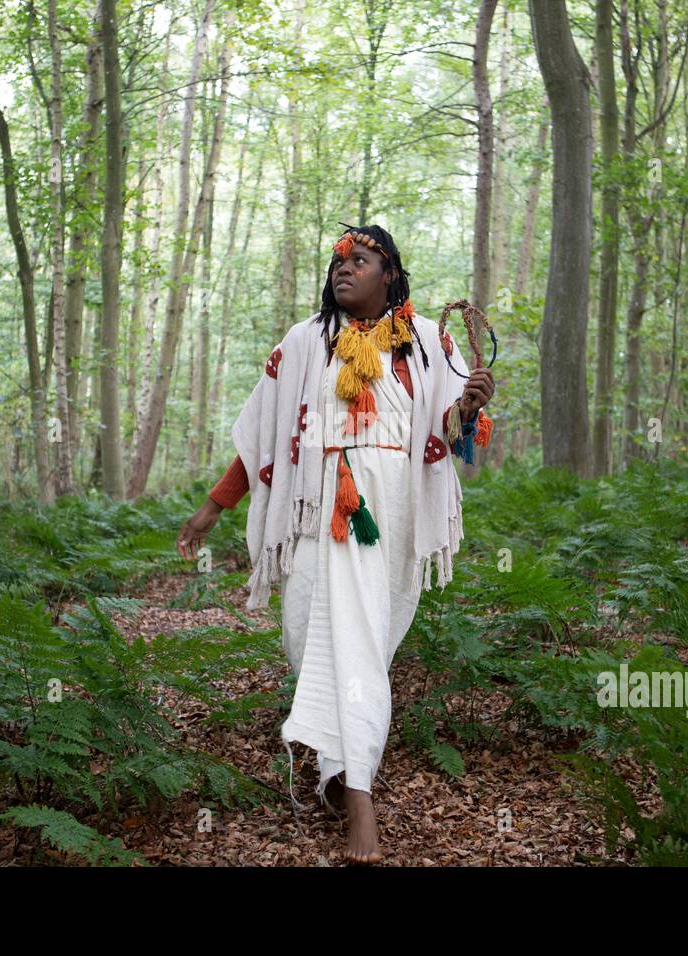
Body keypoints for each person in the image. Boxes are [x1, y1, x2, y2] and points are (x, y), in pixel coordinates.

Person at [177, 223, 495, 863]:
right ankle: (337, 768)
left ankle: (359, 802)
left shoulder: (430, 342)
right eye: (339, 260)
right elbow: (263, 434)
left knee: (356, 642)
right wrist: (215, 506)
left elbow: (456, 439)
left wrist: (468, 406)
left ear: (392, 275)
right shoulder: (303, 343)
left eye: (363, 258)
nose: (345, 268)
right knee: (307, 641)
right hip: (315, 503)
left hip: (390, 512)